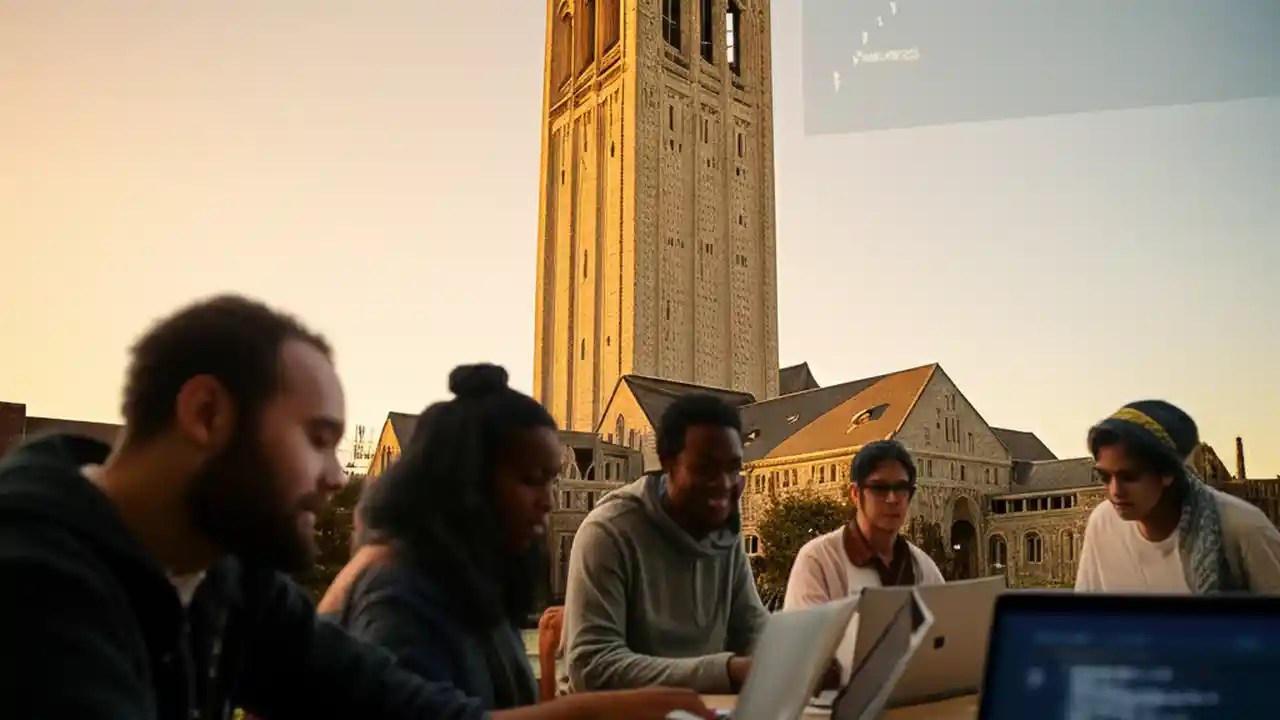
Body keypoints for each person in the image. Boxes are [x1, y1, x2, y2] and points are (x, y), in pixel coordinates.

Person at [0, 295, 702, 720]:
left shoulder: (221, 578)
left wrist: (599, 710)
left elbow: (400, 711)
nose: (340, 477)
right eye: (318, 440)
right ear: (207, 413)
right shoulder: (34, 584)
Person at [317, 364, 710, 719]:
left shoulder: (465, 582)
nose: (549, 501)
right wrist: (602, 709)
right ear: (466, 481)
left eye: (552, 480)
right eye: (530, 480)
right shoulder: (394, 596)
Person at [563, 393, 770, 694]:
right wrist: (725, 671)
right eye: (706, 469)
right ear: (668, 464)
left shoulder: (724, 526)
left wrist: (801, 659)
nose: (725, 484)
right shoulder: (608, 533)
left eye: (733, 469)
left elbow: (751, 626)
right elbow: (594, 667)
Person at [1075, 400, 1280, 594]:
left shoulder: (1243, 528)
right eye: (1105, 476)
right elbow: (1083, 622)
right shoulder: (1102, 523)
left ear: (1167, 473)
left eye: (1130, 476)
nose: (1115, 490)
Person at [783, 440, 944, 611]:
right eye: (880, 489)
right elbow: (806, 636)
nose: (892, 499)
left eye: (901, 488)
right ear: (855, 493)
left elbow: (949, 629)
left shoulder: (922, 567)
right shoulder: (819, 560)